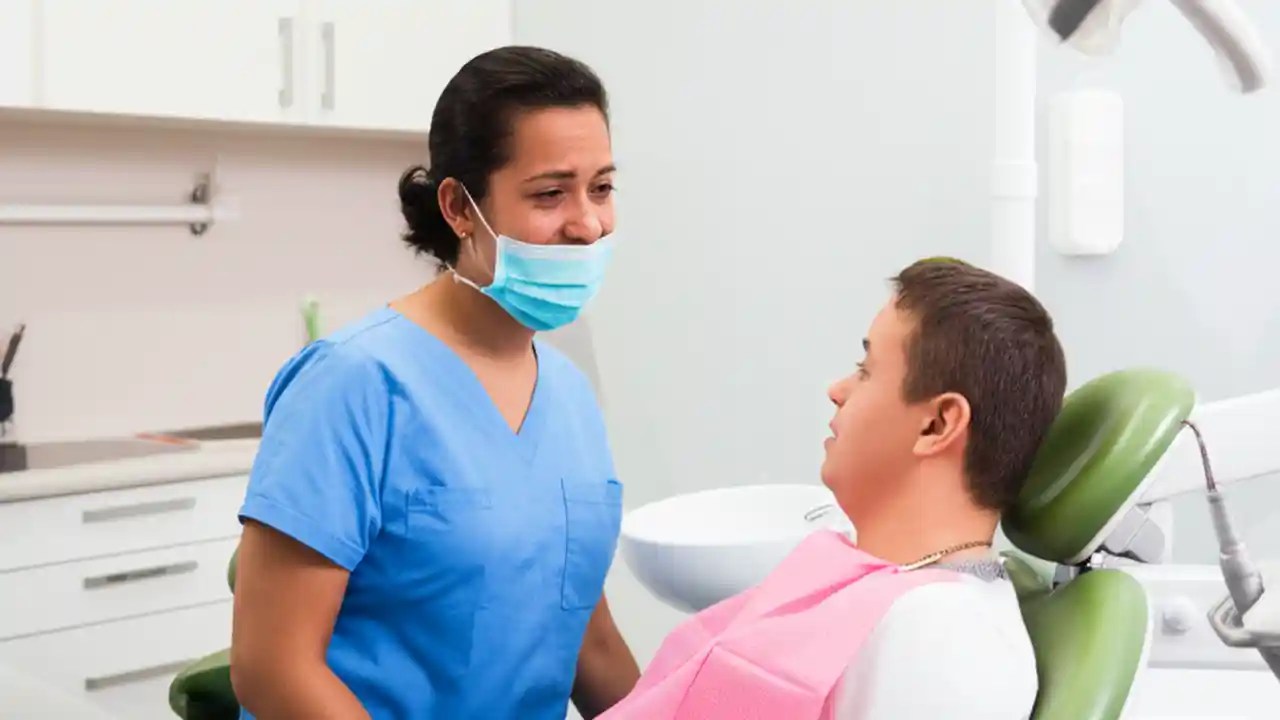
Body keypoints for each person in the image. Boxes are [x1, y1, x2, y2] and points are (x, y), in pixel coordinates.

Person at [229, 45, 640, 720]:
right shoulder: (353, 385)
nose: (588, 223)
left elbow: (587, 645)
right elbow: (273, 669)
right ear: (458, 208)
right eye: (550, 193)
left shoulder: (567, 395)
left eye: (601, 188)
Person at [599, 258, 1067, 719]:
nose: (837, 389)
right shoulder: (877, 585)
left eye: (865, 370)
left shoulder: (946, 635)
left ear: (937, 424)